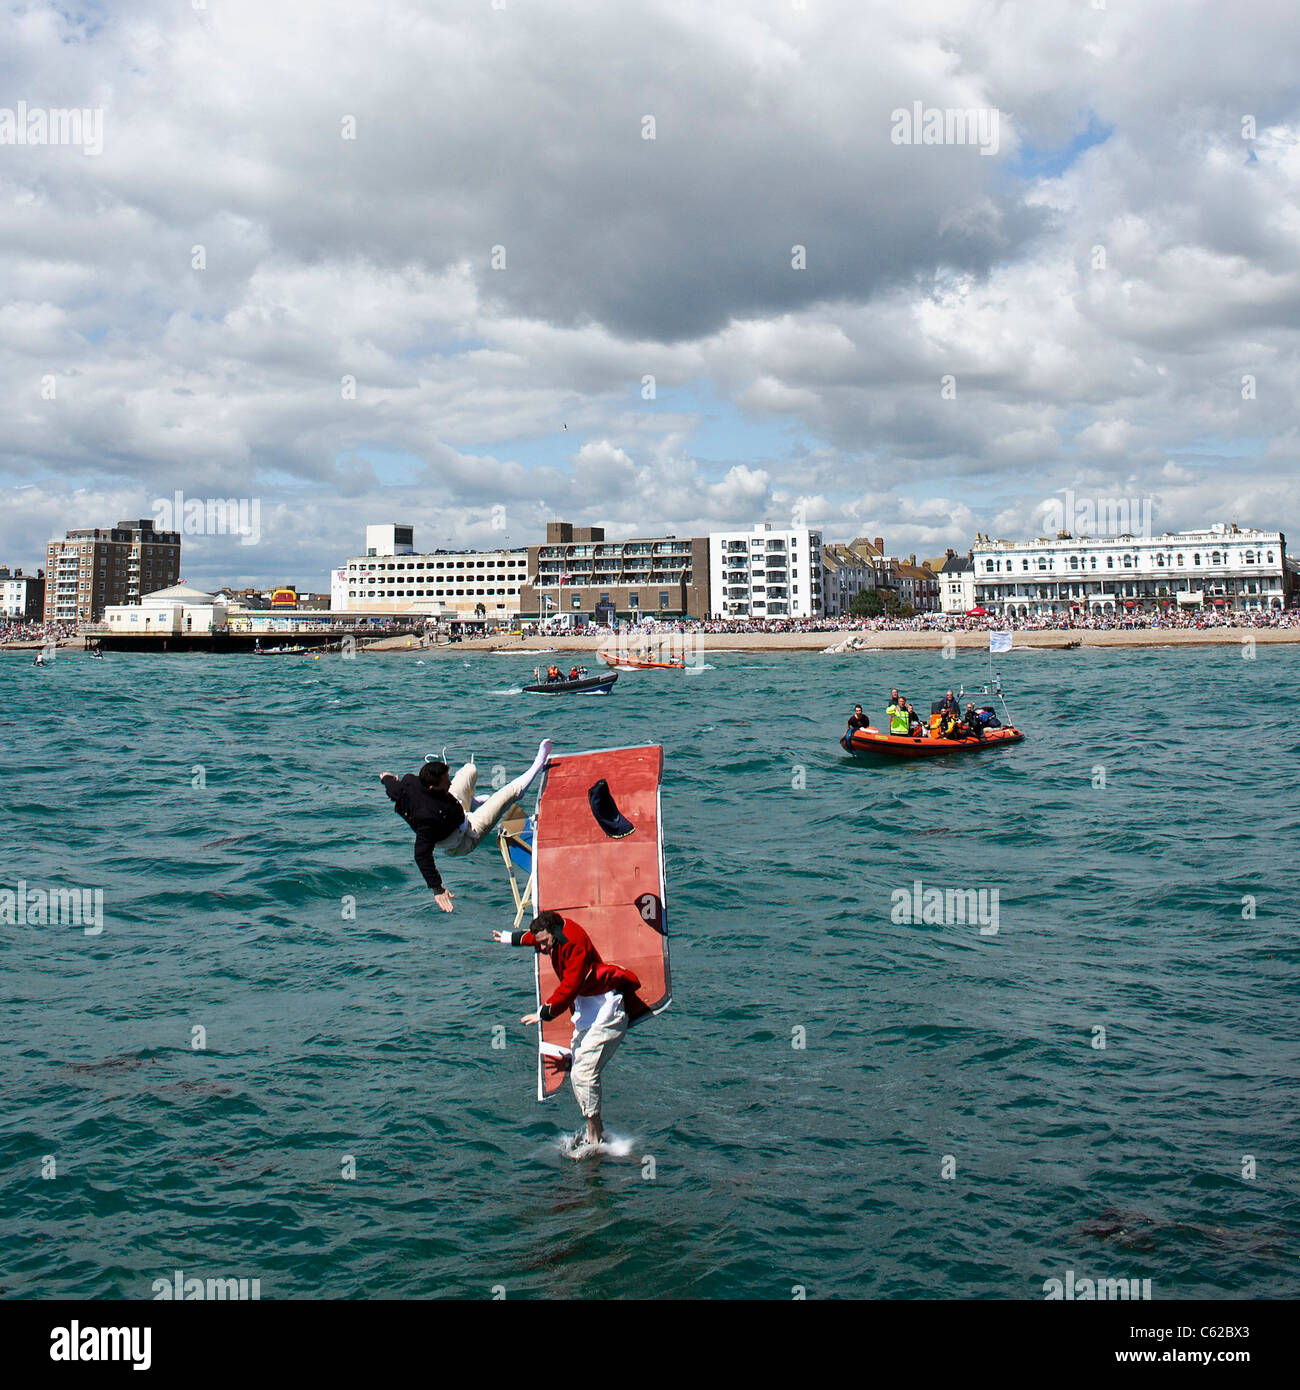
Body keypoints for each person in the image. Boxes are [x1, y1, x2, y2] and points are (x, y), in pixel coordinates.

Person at [494, 910, 646, 1149]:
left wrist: (543, 1014)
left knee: (583, 1074)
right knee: (579, 1070)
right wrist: (508, 938)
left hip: (607, 1009)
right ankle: (596, 1132)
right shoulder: (554, 932)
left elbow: (570, 987)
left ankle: (596, 1140)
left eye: (545, 943)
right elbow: (535, 937)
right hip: (587, 1007)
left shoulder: (572, 942)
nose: (542, 949)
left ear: (555, 932)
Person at [379, 740, 552, 913]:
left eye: (448, 778)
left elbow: (391, 786)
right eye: (446, 782)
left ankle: (473, 803)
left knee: (470, 770)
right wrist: (437, 888)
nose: (450, 783)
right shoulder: (427, 820)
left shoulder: (409, 782)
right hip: (465, 835)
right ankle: (538, 763)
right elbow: (421, 855)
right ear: (432, 787)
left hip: (455, 811)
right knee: (509, 793)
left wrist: (385, 777)